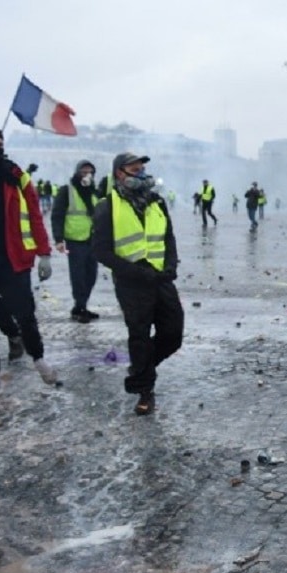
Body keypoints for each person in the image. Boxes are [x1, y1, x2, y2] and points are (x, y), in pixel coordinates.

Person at [92, 152, 184, 415]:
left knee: (173, 334)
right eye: (136, 169)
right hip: (131, 283)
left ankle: (141, 368)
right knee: (139, 337)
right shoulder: (107, 206)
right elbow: (101, 251)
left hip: (161, 279)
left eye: (143, 168)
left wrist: (171, 266)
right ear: (120, 173)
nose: (142, 173)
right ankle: (144, 391)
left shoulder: (156, 201)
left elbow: (168, 237)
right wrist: (134, 271)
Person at [0, 126, 58, 405]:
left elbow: (35, 216)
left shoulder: (17, 177)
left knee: (25, 315)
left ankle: (39, 358)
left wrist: (44, 253)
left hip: (14, 260)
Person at [52, 159, 101, 323]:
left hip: (92, 240)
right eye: (84, 171)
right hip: (75, 240)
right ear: (77, 172)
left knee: (91, 275)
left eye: (90, 172)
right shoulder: (67, 191)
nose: (87, 175)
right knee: (78, 275)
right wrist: (58, 239)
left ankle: (82, 305)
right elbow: (57, 215)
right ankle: (79, 307)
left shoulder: (95, 192)